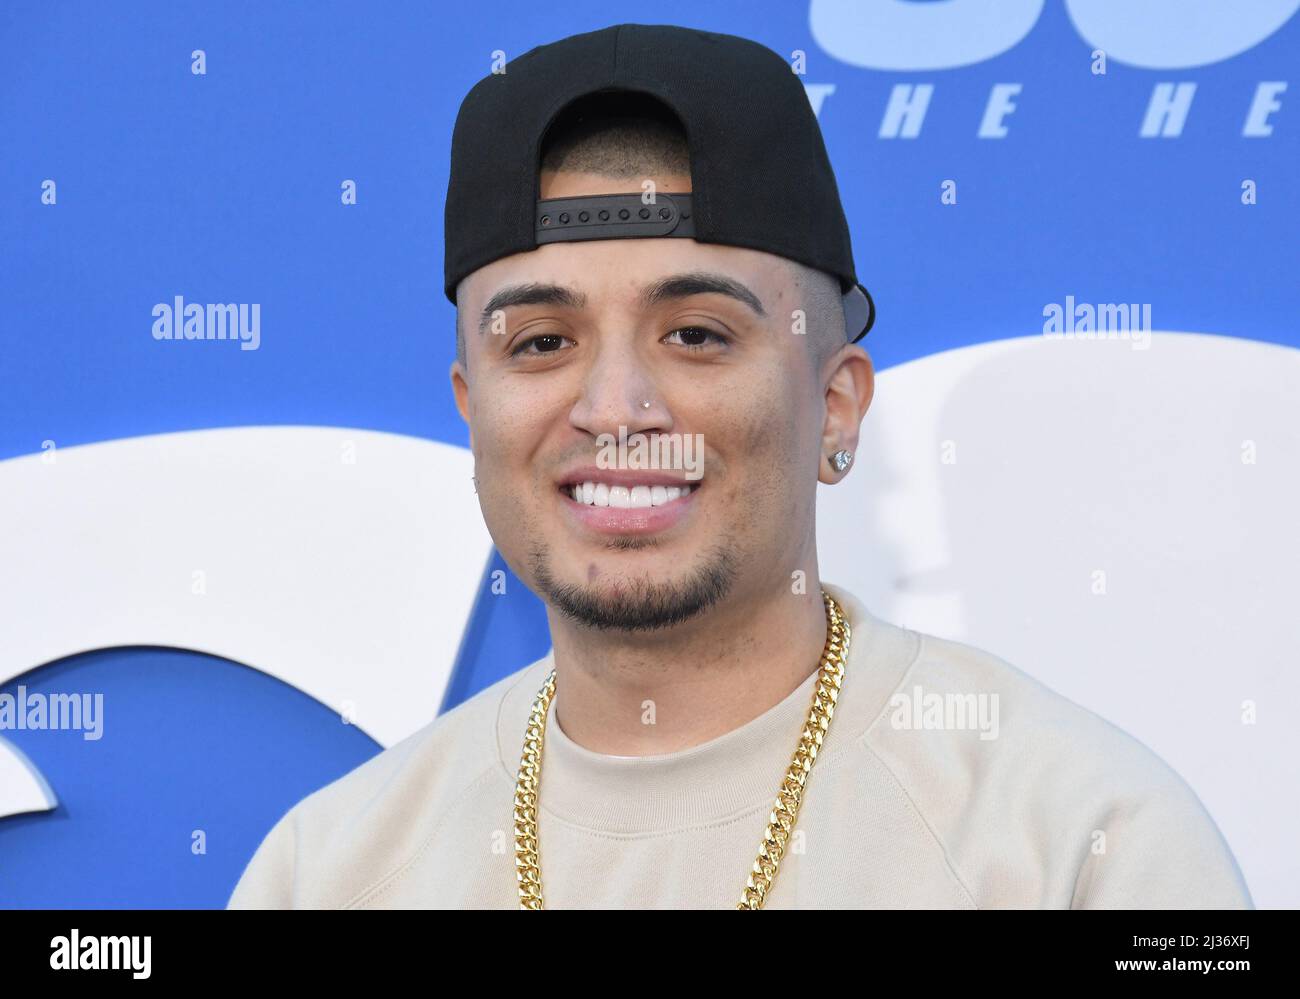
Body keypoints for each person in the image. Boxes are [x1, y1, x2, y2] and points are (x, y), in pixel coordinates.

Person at [227, 23, 1251, 909]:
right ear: (472, 410)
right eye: (541, 342)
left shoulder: (1082, 840)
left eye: (697, 335)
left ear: (835, 403)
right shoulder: (326, 871)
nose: (614, 409)